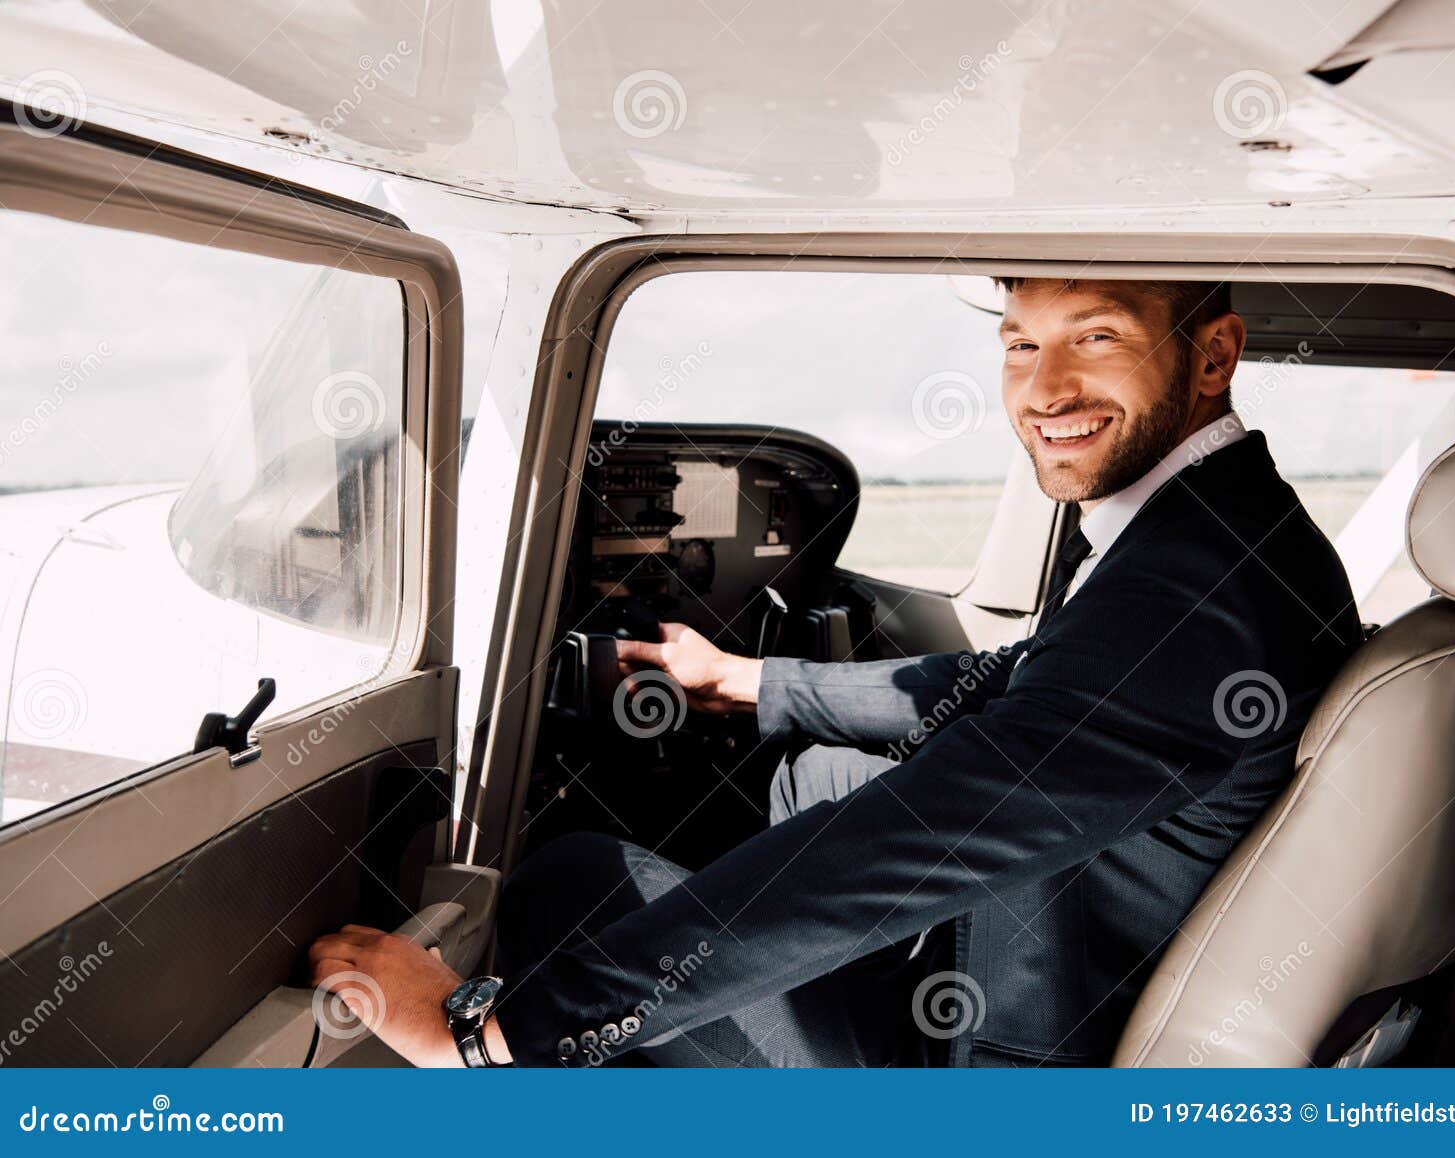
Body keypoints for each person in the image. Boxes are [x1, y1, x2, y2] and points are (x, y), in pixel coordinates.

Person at [309, 276, 1361, 1067]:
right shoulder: (1216, 528)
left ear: (1214, 356)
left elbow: (930, 833)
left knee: (576, 877)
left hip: (1001, 1051)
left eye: (1097, 338)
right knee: (800, 783)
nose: (1045, 389)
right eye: (1021, 344)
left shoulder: (1194, 587)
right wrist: (754, 683)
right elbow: (1027, 682)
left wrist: (495, 1029)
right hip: (1042, 950)